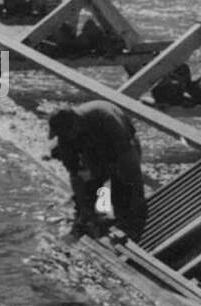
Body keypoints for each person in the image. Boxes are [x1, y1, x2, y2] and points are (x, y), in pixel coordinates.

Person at [47, 99, 148, 241]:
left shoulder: (106, 119)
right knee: (86, 189)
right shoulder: (66, 135)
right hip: (94, 148)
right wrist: (83, 206)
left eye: (67, 134)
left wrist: (101, 173)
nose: (64, 138)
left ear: (75, 125)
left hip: (124, 146)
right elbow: (75, 173)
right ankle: (89, 217)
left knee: (126, 192)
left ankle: (133, 229)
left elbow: (122, 158)